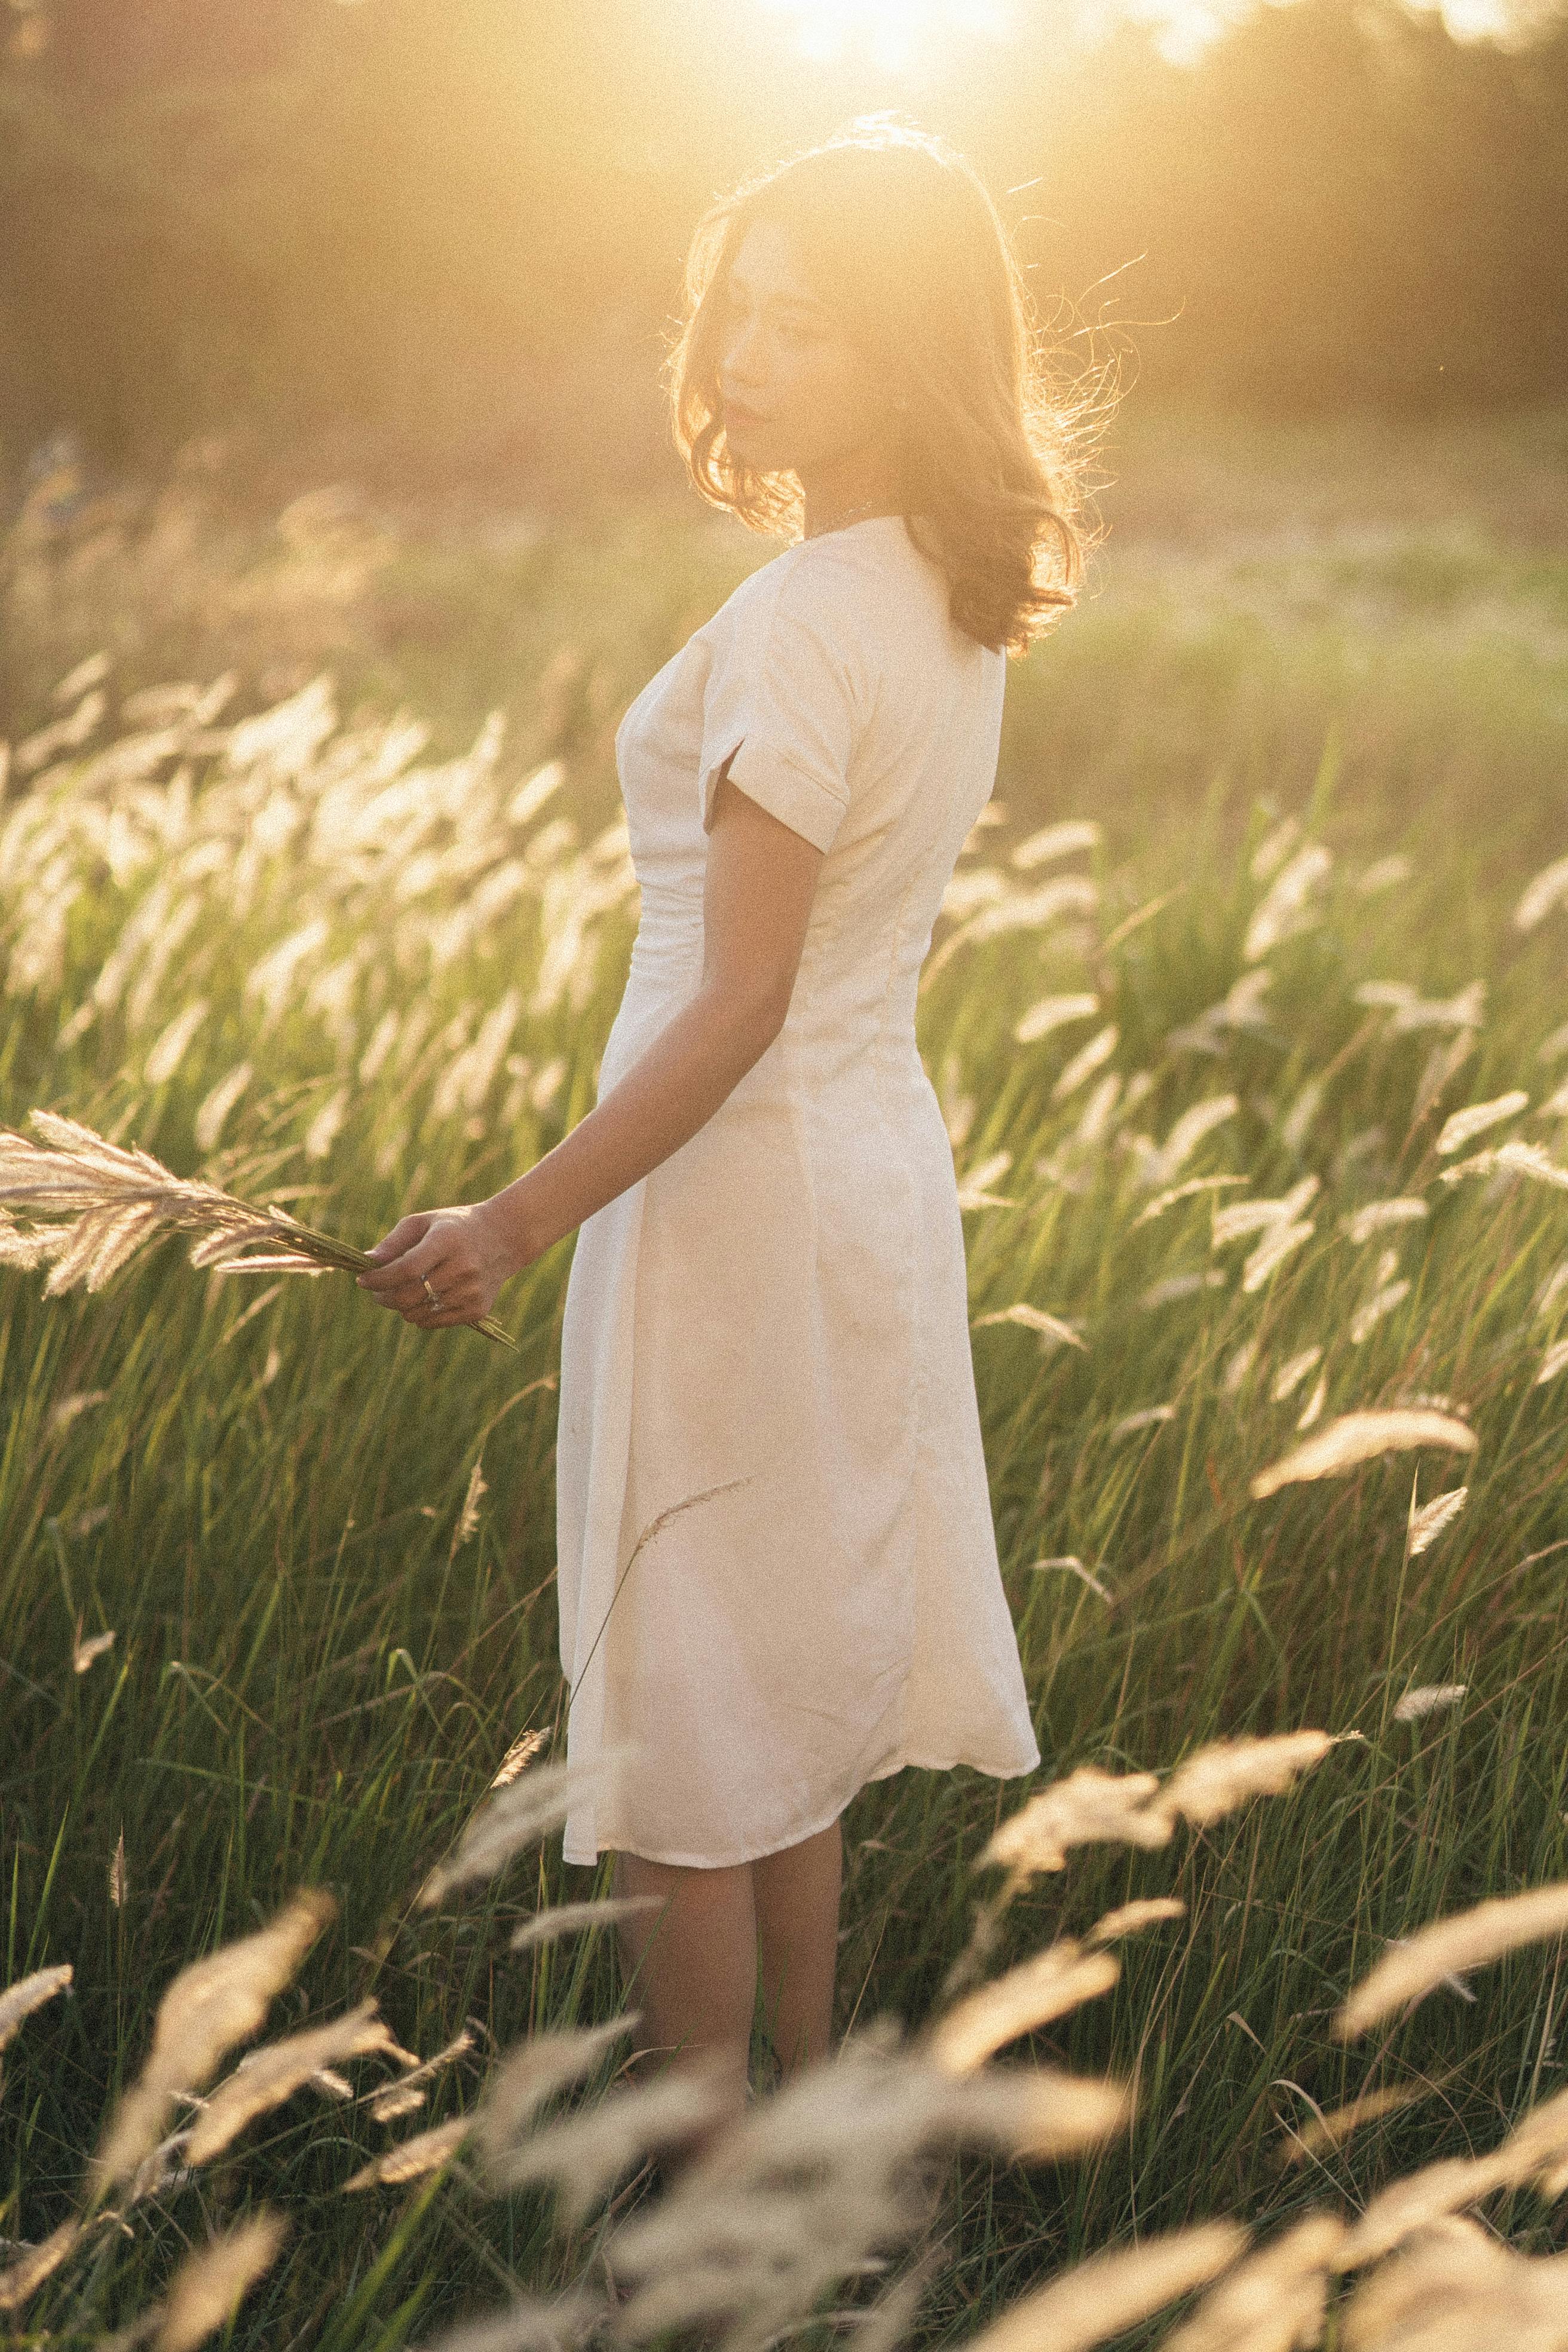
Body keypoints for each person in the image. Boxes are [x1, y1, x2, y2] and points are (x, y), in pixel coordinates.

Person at [357, 114, 1105, 2175]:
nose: (752, 358)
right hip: (862, 1177)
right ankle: (812, 2143)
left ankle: (713, 2213)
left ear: (917, 353)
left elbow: (740, 998)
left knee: (693, 1713)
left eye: (814, 324)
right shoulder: (941, 602)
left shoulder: (801, 620)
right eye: (741, 311)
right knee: (784, 1688)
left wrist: (515, 1222)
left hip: (734, 1190)